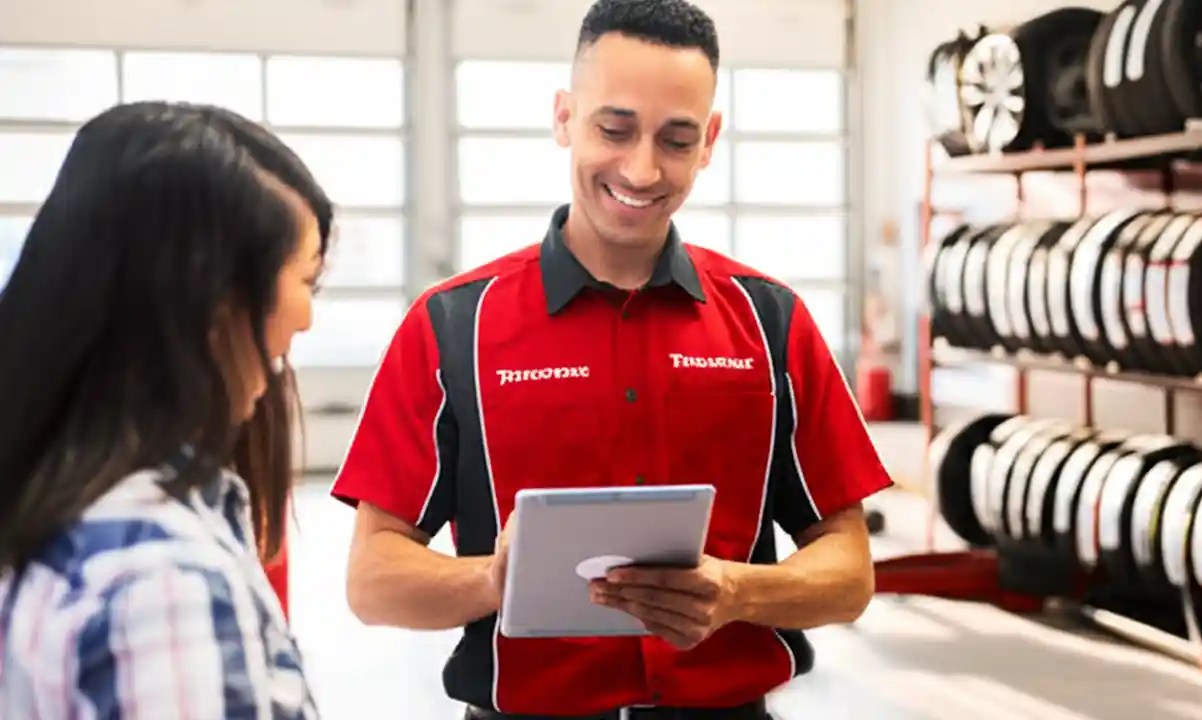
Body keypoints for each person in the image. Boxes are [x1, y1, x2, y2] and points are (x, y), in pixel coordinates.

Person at [333, 0, 893, 717]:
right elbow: (373, 579)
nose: (643, 168)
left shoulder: (770, 321)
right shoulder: (452, 327)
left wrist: (736, 592)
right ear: (564, 117)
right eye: (615, 128)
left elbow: (849, 571)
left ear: (711, 138)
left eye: (677, 139)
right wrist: (495, 581)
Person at [0, 101, 332, 719]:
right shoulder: (161, 578)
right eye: (306, 280)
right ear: (215, 299)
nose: (306, 320)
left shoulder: (54, 500)